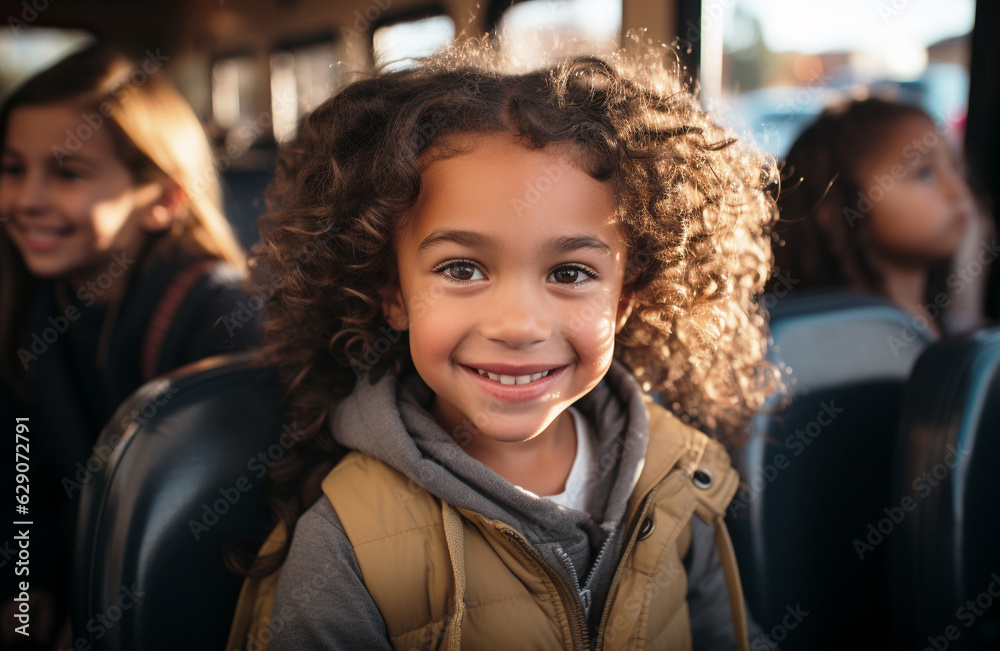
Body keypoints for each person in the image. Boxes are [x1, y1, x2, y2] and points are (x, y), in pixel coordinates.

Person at [226, 41, 778, 650]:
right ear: (393, 293)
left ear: (625, 300)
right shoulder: (347, 542)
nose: (518, 325)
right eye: (462, 270)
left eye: (570, 274)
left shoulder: (676, 478)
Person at [0, 43, 259, 648]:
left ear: (164, 200)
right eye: (12, 168)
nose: (27, 198)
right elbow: (19, 481)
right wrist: (23, 598)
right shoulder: (25, 305)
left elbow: (221, 537)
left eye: (67, 172)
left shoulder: (221, 318)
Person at [770, 97, 976, 335]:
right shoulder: (831, 340)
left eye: (955, 167)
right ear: (837, 210)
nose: (958, 189)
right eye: (925, 173)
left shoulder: (958, 327)